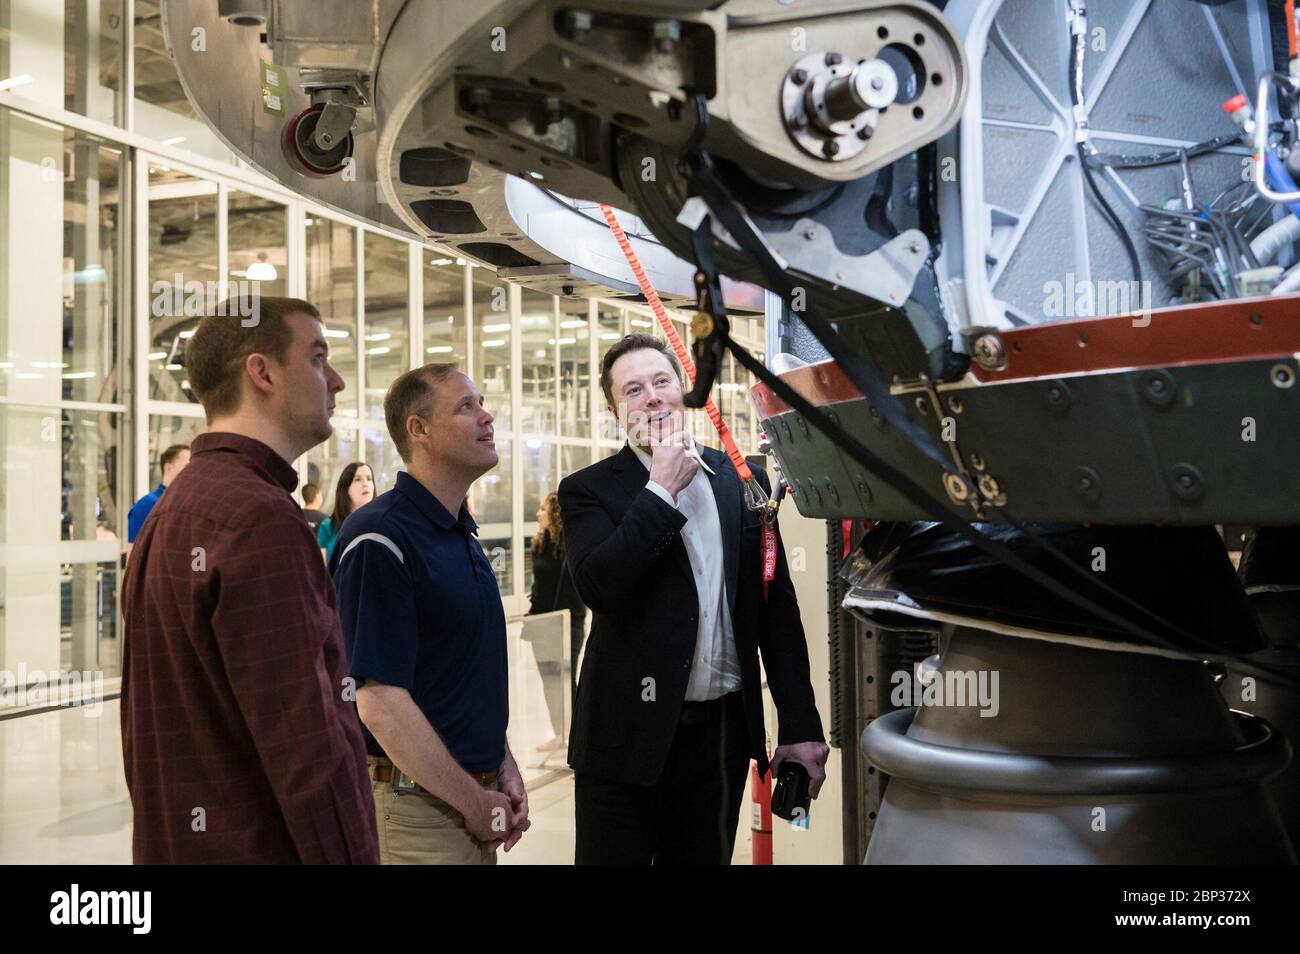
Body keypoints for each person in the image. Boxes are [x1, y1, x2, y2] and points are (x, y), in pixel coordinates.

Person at [120, 296, 379, 864]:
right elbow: (309, 748)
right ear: (260, 372)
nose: (334, 380)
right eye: (316, 357)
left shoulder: (177, 506)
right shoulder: (259, 518)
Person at [558, 334, 829, 865]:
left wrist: (799, 725)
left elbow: (775, 612)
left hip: (718, 742)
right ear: (615, 412)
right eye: (633, 390)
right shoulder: (588, 490)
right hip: (623, 743)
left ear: (684, 392)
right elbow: (601, 587)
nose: (652, 397)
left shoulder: (739, 479)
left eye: (661, 382)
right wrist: (660, 491)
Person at [331, 363, 527, 864]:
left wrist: (501, 763)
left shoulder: (459, 531)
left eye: (482, 403)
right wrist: (472, 800)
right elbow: (379, 701)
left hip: (467, 800)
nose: (487, 417)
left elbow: (457, 673)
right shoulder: (380, 537)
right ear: (418, 430)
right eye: (466, 407)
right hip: (417, 812)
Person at [526, 491, 586, 753]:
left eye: (542, 509)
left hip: (568, 622)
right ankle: (560, 734)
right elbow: (539, 585)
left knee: (566, 677)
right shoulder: (538, 543)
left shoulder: (572, 545)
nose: (538, 514)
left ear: (555, 514)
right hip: (541, 622)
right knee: (549, 680)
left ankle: (577, 734)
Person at [125, 444, 190, 552]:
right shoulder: (148, 504)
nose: (192, 472)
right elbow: (133, 555)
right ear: (168, 468)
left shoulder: (188, 505)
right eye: (187, 467)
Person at [317, 463, 374, 561]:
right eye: (357, 479)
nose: (365, 484)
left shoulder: (382, 523)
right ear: (345, 488)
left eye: (369, 479)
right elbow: (320, 568)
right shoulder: (328, 526)